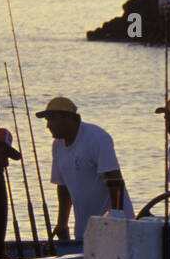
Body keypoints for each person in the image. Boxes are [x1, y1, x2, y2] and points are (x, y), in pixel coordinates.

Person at [36, 96, 135, 240]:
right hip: (84, 230)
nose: (48, 125)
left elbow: (115, 180)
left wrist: (115, 219)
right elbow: (63, 187)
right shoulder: (57, 145)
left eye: (51, 119)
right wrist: (62, 223)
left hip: (116, 227)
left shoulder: (96, 137)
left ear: (68, 118)